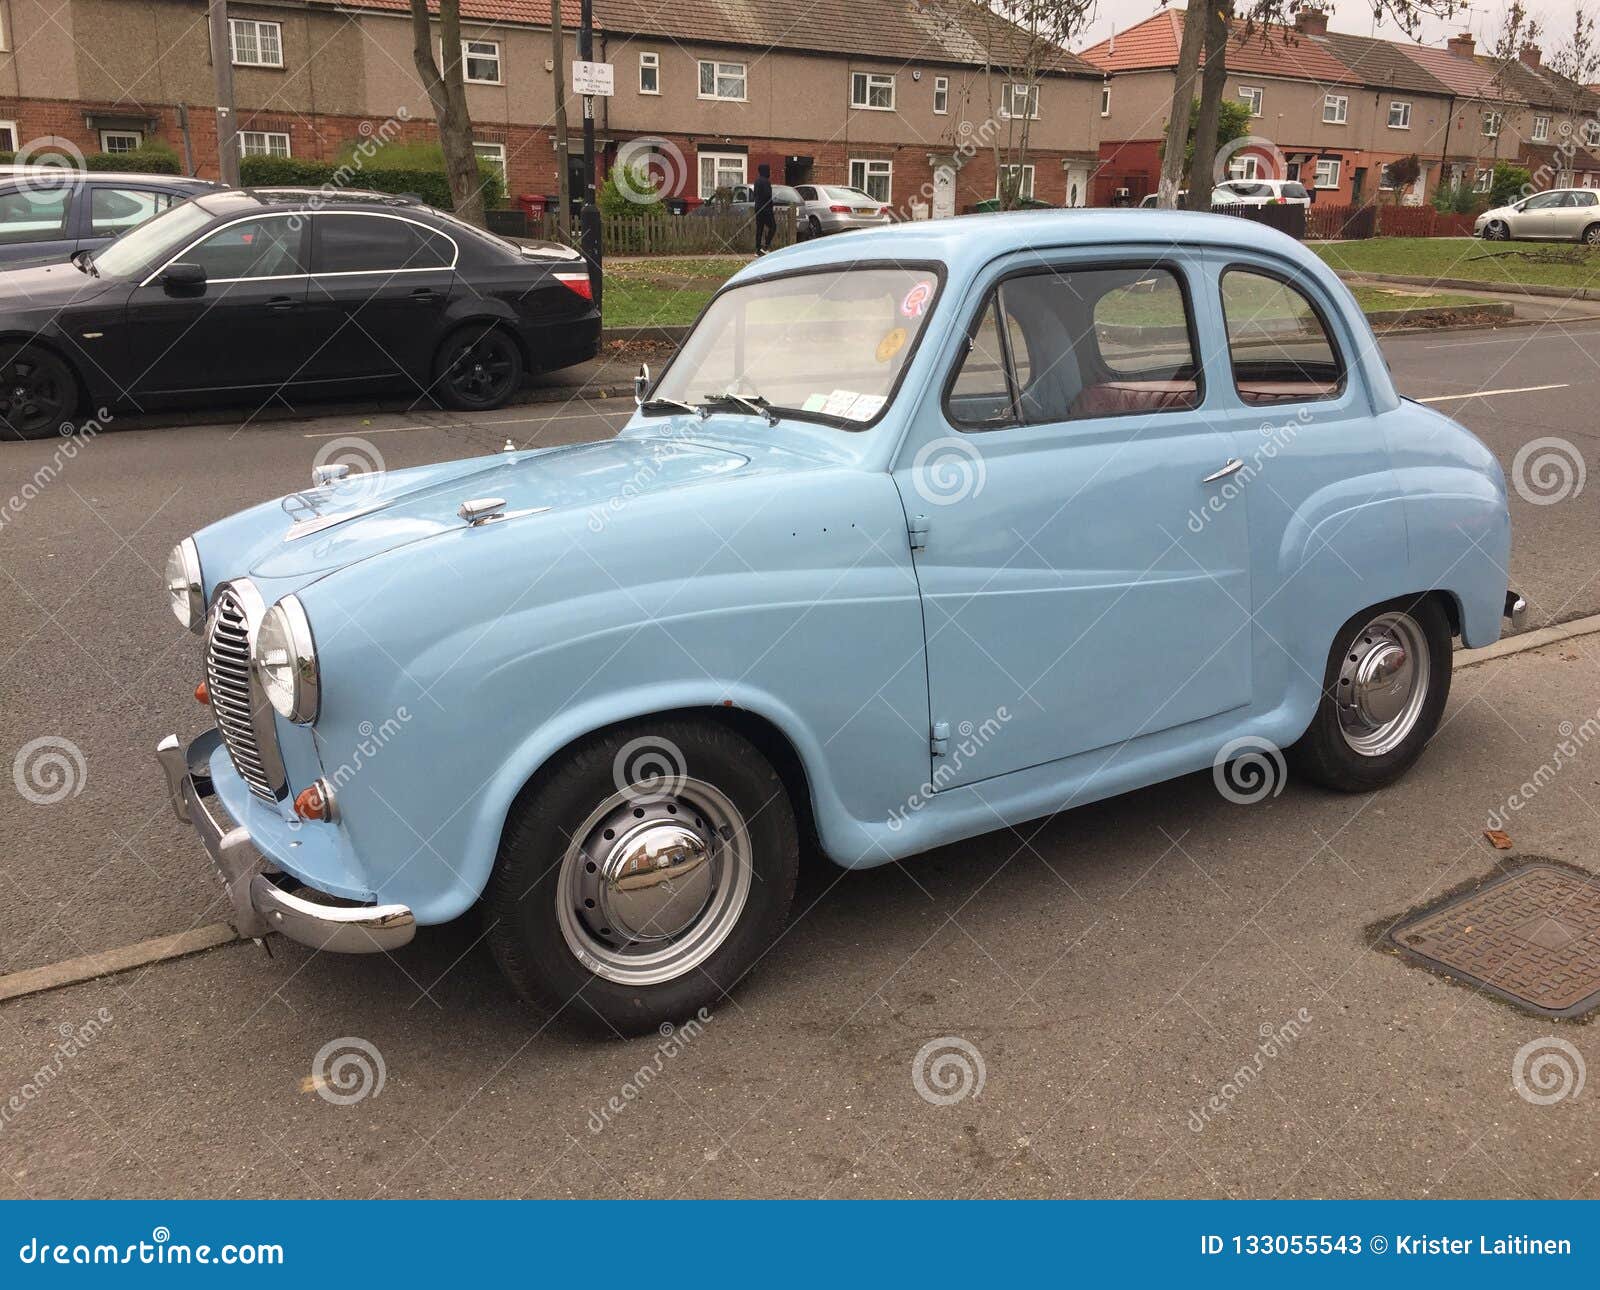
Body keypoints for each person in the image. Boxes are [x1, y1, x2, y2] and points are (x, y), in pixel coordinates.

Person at [753, 163, 776, 255]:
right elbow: (767, 195)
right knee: (773, 227)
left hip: (758, 208)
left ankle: (757, 250)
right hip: (766, 209)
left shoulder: (757, 181)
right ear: (765, 171)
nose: (770, 172)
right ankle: (766, 247)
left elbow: (755, 195)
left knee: (759, 229)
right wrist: (771, 202)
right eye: (769, 170)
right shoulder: (766, 181)